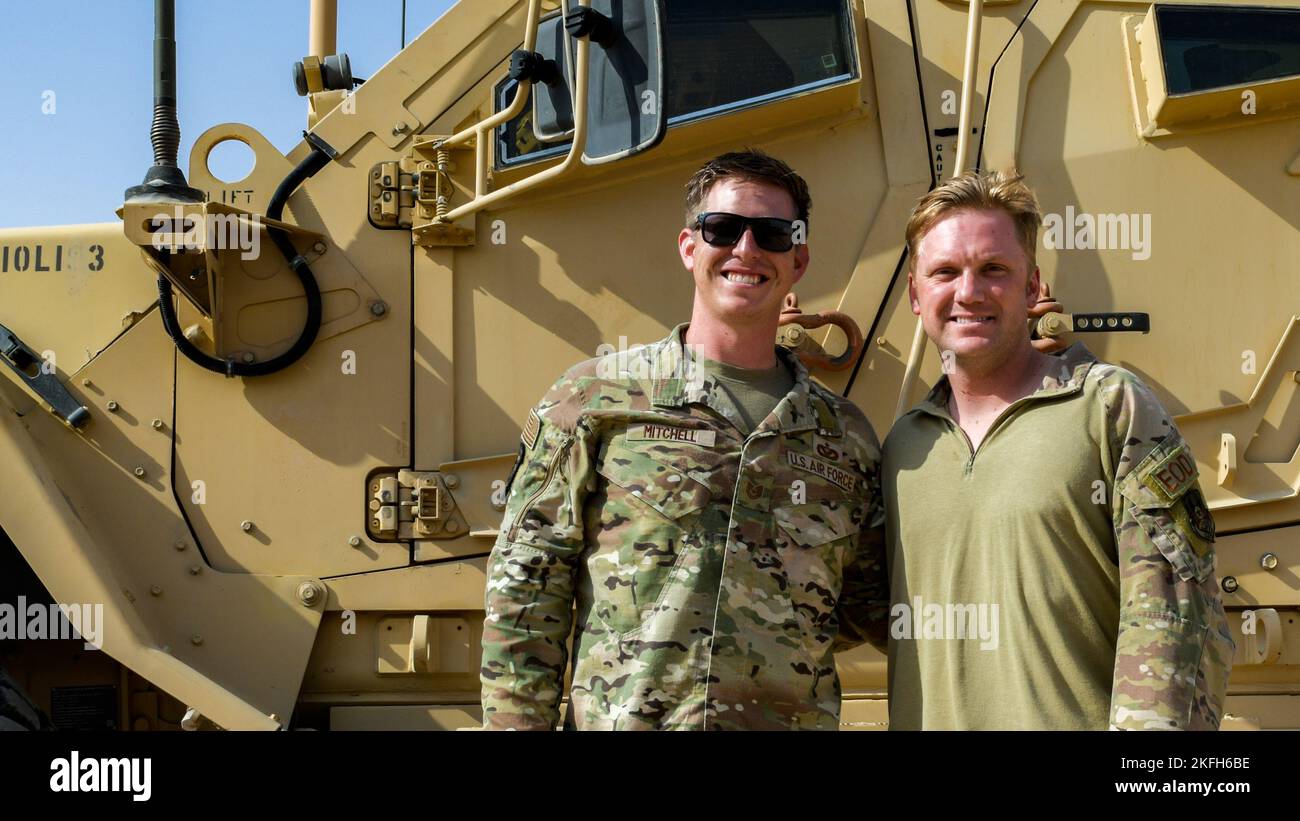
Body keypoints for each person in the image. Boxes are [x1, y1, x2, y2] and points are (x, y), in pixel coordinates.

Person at [480, 150, 888, 730]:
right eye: (723, 229)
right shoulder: (595, 400)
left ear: (798, 260)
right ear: (689, 246)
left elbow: (860, 609)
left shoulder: (844, 437)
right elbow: (526, 586)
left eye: (772, 234)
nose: (746, 250)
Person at [884, 170, 1234, 730]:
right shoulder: (905, 446)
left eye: (993, 270)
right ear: (915, 295)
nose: (968, 292)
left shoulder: (1109, 408)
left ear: (1031, 288)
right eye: (945, 272)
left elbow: (1175, 615)